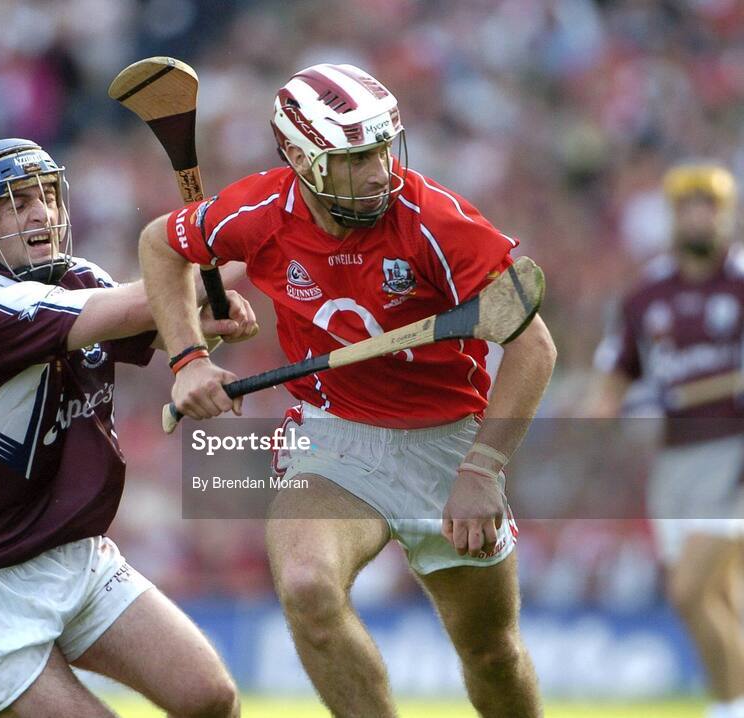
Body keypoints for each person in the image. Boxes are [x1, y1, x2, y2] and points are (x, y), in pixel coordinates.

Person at [139, 64, 555, 717]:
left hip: (449, 447)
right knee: (307, 586)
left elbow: (533, 348)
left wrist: (484, 469)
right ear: (305, 161)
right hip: (332, 439)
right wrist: (189, 357)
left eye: (384, 150)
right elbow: (161, 244)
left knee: (492, 653)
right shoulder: (260, 211)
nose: (380, 171)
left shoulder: (439, 223)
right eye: (357, 158)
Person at [0, 138, 255, 717]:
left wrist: (203, 322)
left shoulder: (77, 279)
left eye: (49, 197)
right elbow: (140, 305)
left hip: (69, 555)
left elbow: (158, 324)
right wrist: (255, 232)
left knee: (210, 697)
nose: (42, 214)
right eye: (16, 203)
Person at [591, 163, 744, 718]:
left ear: (725, 215)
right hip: (675, 464)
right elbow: (617, 373)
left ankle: (728, 707)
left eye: (710, 206)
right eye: (688, 206)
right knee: (714, 599)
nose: (700, 216)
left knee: (687, 590)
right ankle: (734, 701)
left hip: (733, 459)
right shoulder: (646, 295)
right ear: (674, 216)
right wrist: (606, 408)